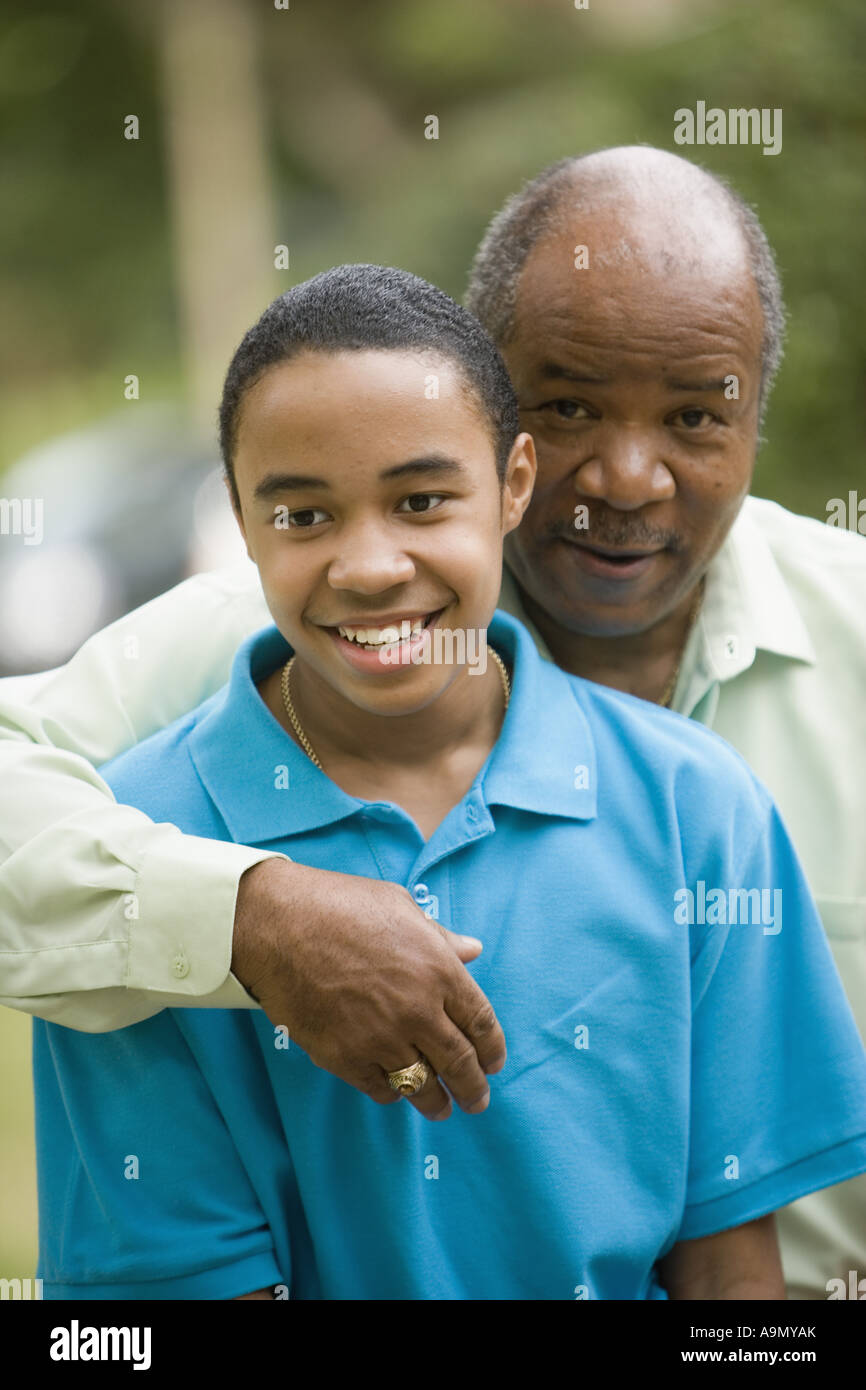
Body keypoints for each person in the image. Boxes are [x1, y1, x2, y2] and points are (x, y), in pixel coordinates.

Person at [1, 146, 863, 1295]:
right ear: (496, 409)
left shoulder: (723, 772)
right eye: (567, 404)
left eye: (695, 416)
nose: (625, 475)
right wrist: (247, 914)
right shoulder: (250, 639)